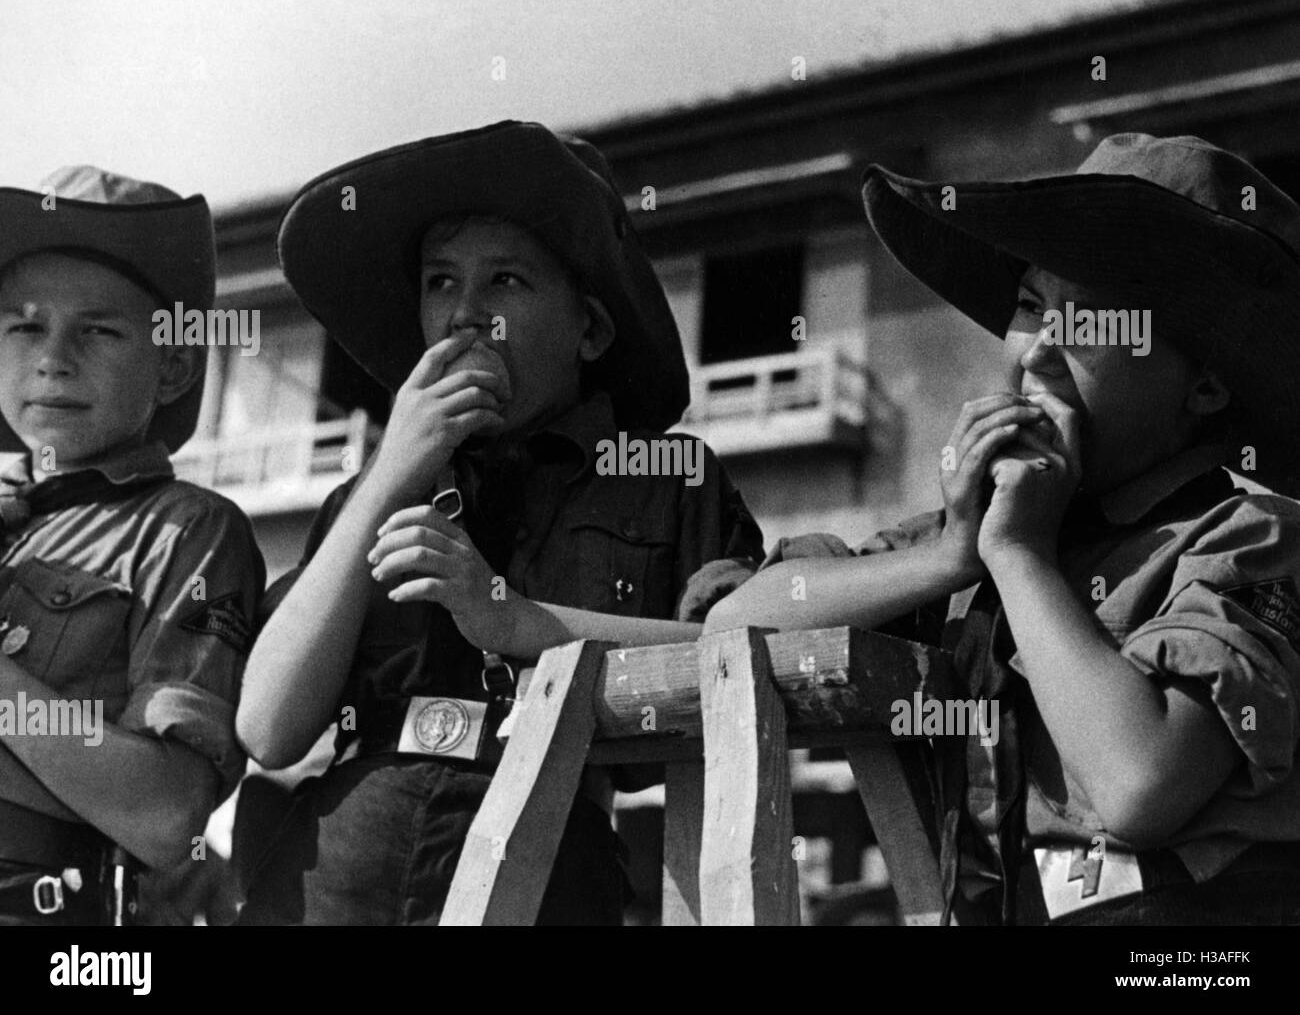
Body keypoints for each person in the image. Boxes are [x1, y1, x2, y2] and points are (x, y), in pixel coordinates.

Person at [704, 133, 1300, 926]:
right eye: (1030, 306)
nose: (1038, 352)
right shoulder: (978, 537)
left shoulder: (1250, 540)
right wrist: (953, 554)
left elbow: (1138, 787)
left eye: (1093, 320)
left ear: (1208, 384)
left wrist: (1019, 558)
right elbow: (735, 622)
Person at [234, 121, 764, 925]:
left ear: (588, 327)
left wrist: (518, 622)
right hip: (334, 872)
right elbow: (269, 728)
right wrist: (390, 473)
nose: (464, 317)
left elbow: (736, 666)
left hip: (548, 854)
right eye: (440, 283)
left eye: (506, 282)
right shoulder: (374, 491)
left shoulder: (668, 477)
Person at [0, 166, 264, 925]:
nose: (53, 357)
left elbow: (166, 814)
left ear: (174, 363)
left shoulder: (186, 532)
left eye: (99, 329)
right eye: (24, 325)